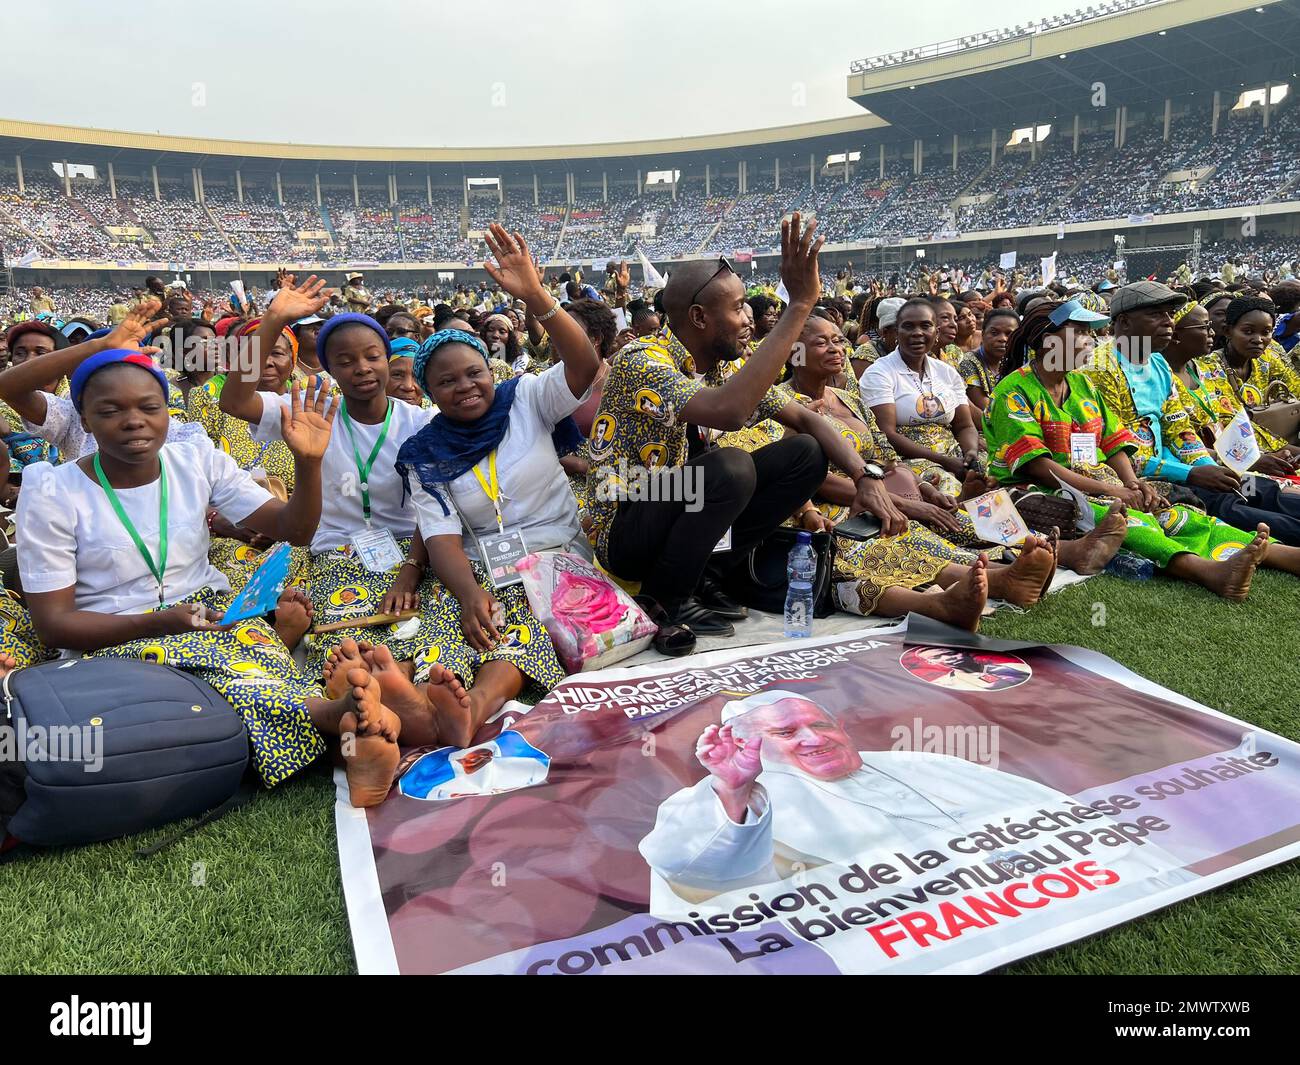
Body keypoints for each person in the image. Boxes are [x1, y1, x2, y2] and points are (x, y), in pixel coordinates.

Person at [14, 347, 403, 808]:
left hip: (209, 614)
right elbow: (54, 624)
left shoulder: (195, 460)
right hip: (115, 632)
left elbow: (295, 530)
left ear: (167, 411)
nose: (134, 420)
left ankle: (344, 726)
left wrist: (309, 463)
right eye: (110, 410)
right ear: (83, 417)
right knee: (231, 678)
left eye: (149, 407)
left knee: (255, 664)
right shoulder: (52, 491)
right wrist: (161, 622)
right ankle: (330, 717)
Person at [587, 214, 906, 638]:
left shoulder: (723, 364)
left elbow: (806, 417)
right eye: (739, 308)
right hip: (627, 520)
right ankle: (666, 598)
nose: (750, 319)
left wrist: (864, 474)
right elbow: (729, 413)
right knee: (731, 468)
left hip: (676, 505)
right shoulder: (642, 360)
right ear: (700, 318)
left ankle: (708, 577)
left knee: (805, 455)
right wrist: (799, 306)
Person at [386, 224, 593, 744]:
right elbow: (441, 535)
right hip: (482, 562)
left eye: (474, 373)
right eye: (447, 381)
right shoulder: (425, 452)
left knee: (520, 620)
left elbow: (585, 366)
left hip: (555, 551)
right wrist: (468, 591)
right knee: (458, 617)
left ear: (491, 369)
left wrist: (536, 296)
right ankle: (415, 697)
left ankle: (473, 707)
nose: (465, 387)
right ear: (427, 390)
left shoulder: (525, 397)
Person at [639, 691, 1088, 910]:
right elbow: (692, 875)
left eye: (822, 725)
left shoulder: (916, 763)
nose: (814, 739)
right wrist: (734, 790)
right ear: (745, 745)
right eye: (785, 733)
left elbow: (1059, 817)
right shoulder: (728, 795)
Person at [986, 301, 1300, 600]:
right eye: (1079, 332)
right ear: (1046, 341)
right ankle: (1205, 571)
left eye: (1091, 333)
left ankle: (1281, 554)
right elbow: (1040, 467)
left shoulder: (1081, 385)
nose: (1089, 341)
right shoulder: (1013, 392)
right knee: (1130, 521)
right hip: (1043, 487)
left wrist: (1131, 483)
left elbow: (1113, 441)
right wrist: (1113, 490)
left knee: (1177, 514)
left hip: (1100, 481)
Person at [786, 315, 1078, 628]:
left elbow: (885, 455)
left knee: (944, 522)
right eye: (822, 343)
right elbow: (801, 476)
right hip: (830, 508)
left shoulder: (849, 399)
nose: (836, 349)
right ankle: (961, 595)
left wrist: (924, 488)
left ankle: (1034, 561)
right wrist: (905, 501)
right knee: (868, 551)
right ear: (794, 352)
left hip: (886, 491)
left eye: (838, 340)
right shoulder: (784, 404)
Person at [1082, 283, 1300, 546]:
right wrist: (1192, 474)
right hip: (1139, 479)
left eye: (1170, 314)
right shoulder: (1100, 369)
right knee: (1226, 504)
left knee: (1256, 488)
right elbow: (1115, 448)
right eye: (1157, 314)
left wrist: (1207, 468)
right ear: (1125, 322)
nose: (1168, 322)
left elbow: (1179, 430)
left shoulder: (1158, 363)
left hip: (1180, 469)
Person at [862, 299, 984, 498]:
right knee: (948, 488)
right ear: (896, 333)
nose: (917, 332)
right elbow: (886, 433)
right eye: (908, 326)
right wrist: (944, 461)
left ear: (936, 333)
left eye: (925, 326)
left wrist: (970, 452)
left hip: (955, 454)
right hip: (908, 459)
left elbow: (964, 425)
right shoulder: (879, 373)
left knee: (996, 474)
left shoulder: (947, 372)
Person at [1163, 301, 1300, 473]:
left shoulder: (1203, 370)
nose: (1212, 332)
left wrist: (1274, 452)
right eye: (1204, 327)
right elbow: (1172, 440)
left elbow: (1235, 422)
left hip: (1239, 455)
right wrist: (1247, 460)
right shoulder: (1204, 367)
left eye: (1266, 332)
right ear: (1175, 335)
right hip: (1203, 468)